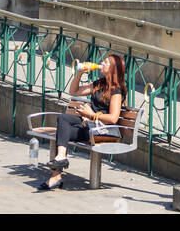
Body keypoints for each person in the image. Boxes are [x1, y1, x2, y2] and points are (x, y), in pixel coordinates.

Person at [38, 53, 126, 190]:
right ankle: (60, 158)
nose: (102, 63)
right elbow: (74, 91)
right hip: (90, 127)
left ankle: (56, 175)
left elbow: (113, 118)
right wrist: (79, 73)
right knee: (63, 120)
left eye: (107, 62)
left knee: (62, 132)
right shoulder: (99, 84)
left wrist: (91, 115)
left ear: (114, 69)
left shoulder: (117, 91)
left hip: (101, 131)